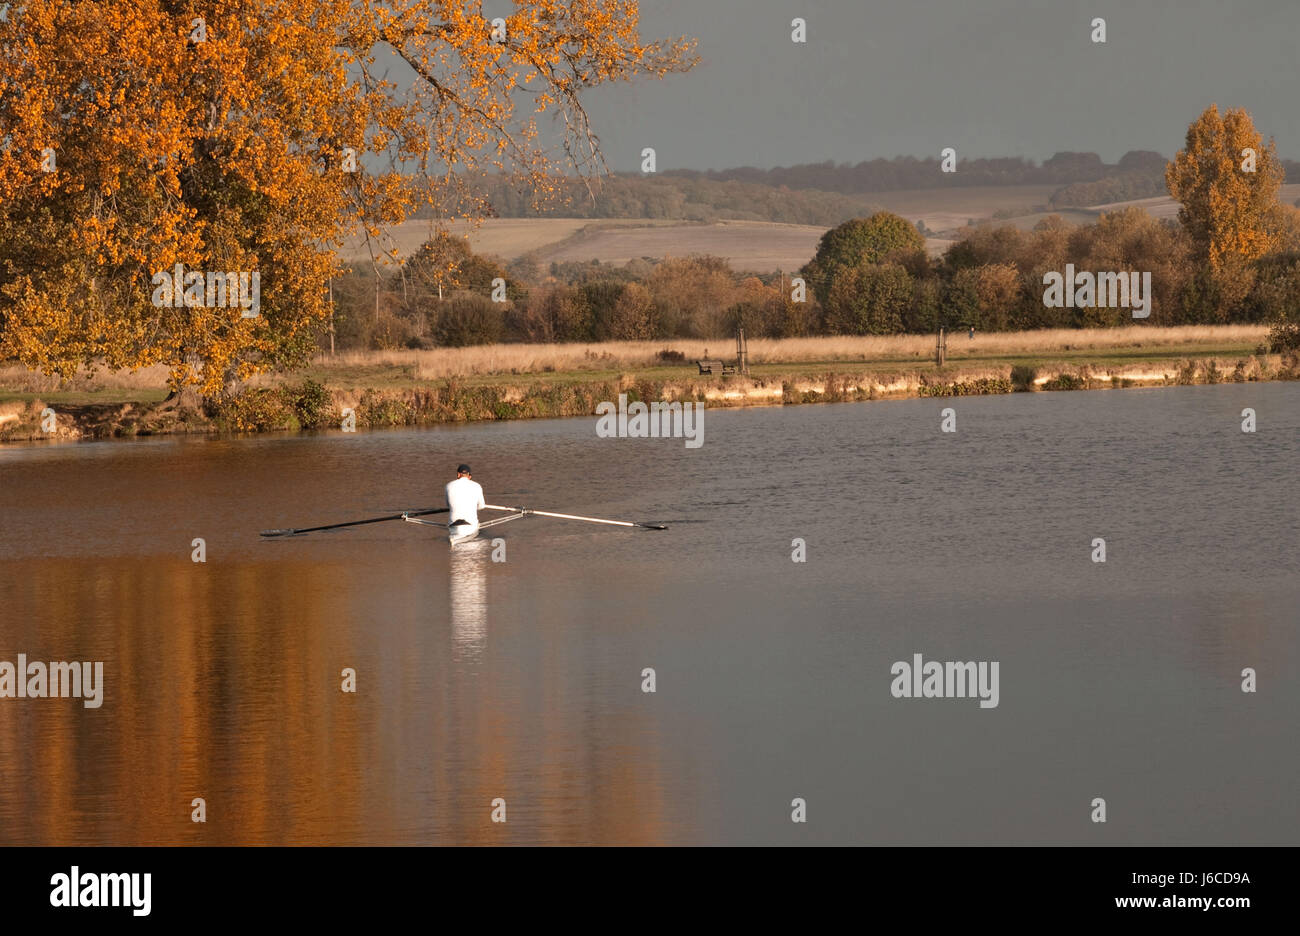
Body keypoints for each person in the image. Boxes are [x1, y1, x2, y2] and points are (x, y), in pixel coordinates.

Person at [445, 464, 485, 533]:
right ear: (469, 475)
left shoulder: (448, 485)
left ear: (458, 474)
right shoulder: (477, 486)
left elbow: (448, 505)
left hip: (453, 524)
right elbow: (482, 506)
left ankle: (454, 534)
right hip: (470, 523)